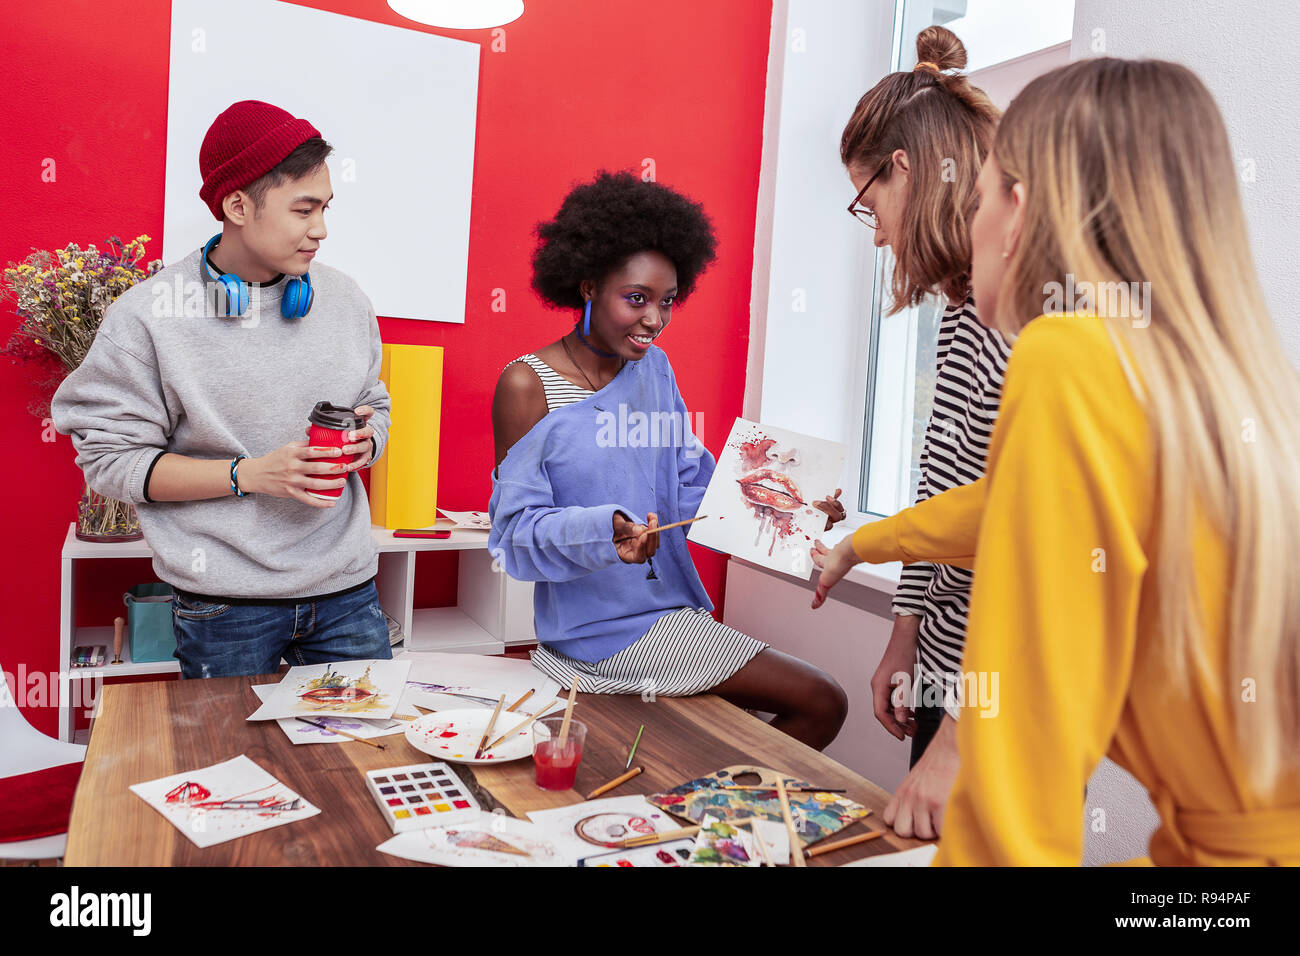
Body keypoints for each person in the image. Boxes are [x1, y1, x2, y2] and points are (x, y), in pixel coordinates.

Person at [814, 57, 1300, 864]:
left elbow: (1023, 748)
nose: (969, 226)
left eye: (982, 198)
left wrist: (956, 749)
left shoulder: (1066, 355)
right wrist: (868, 541)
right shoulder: (1223, 376)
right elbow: (1019, 509)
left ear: (1022, 206)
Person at [489, 170, 848, 750]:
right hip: (598, 630)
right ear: (586, 286)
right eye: (636, 298)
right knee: (823, 699)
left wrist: (796, 506)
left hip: (672, 610)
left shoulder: (653, 370)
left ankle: (715, 809)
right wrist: (606, 531)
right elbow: (516, 537)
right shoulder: (527, 386)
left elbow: (690, 484)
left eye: (667, 302)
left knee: (781, 719)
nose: (654, 319)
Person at [52, 100, 393, 680]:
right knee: (233, 768)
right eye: (303, 209)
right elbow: (110, 464)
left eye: (326, 207)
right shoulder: (146, 317)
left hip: (347, 590)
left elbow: (375, 402)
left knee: (363, 758)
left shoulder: (345, 299)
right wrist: (248, 475)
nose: (321, 228)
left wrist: (369, 440)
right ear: (237, 205)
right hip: (224, 606)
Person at [839, 25, 1004, 837]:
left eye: (868, 205)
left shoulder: (1028, 304)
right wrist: (905, 632)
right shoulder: (962, 303)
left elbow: (1028, 535)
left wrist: (960, 739)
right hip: (947, 654)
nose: (874, 233)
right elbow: (944, 485)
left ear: (903, 168)